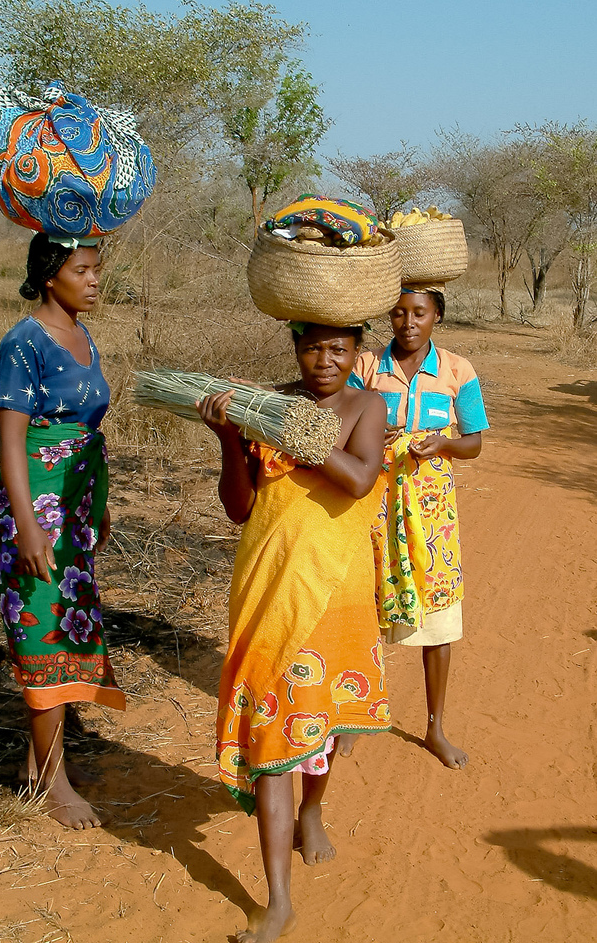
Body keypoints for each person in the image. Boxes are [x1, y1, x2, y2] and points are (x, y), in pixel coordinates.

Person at [198, 323, 390, 943]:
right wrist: (231, 436)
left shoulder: (366, 405)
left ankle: (312, 809)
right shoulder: (267, 403)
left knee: (321, 718)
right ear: (295, 348)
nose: (324, 360)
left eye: (339, 349)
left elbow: (359, 479)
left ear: (357, 352)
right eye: (312, 347)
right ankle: (279, 901)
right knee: (273, 732)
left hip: (335, 593)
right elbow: (240, 507)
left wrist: (296, 432)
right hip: (268, 586)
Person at [0, 232, 124, 830]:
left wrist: (98, 505)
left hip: (74, 506)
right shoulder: (24, 342)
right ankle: (52, 780)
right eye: (82, 270)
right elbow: (11, 440)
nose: (94, 280)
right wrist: (27, 525)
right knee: (43, 634)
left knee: (67, 624)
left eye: (96, 269)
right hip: (34, 508)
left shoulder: (82, 334)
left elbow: (85, 431)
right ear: (50, 276)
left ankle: (38, 761)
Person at [350, 286, 488, 770]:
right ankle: (354, 716)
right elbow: (340, 416)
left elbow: (474, 442)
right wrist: (369, 431)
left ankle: (435, 727)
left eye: (419, 313)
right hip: (373, 499)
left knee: (439, 613)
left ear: (437, 317)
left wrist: (443, 444)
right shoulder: (366, 366)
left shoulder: (458, 371)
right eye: (399, 312)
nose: (408, 322)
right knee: (364, 603)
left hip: (432, 511)